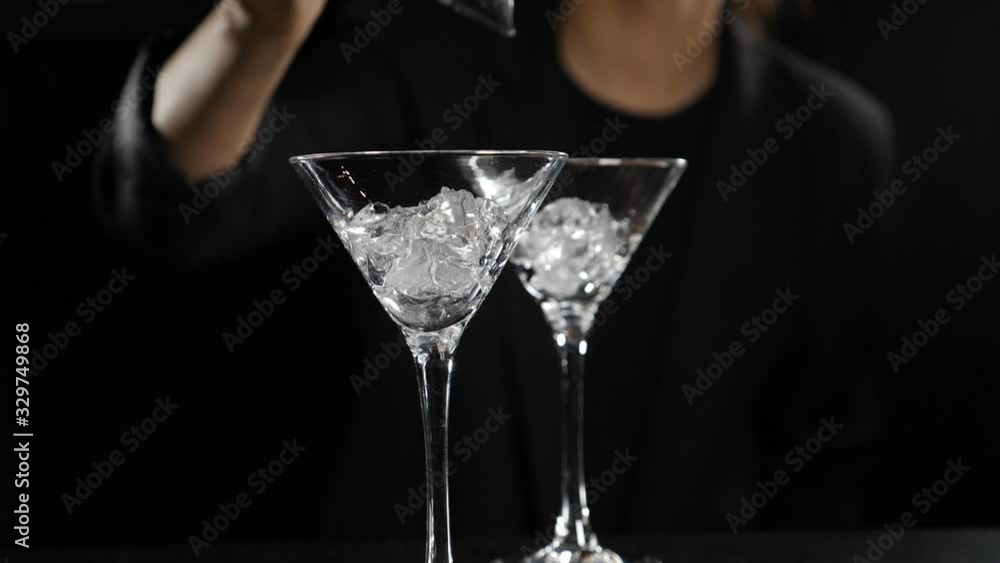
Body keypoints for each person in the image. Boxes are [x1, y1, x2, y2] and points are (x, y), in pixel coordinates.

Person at [96, 0, 895, 538]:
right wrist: (254, 24)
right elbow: (182, 210)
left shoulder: (834, 139)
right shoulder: (422, 59)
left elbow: (838, 455)